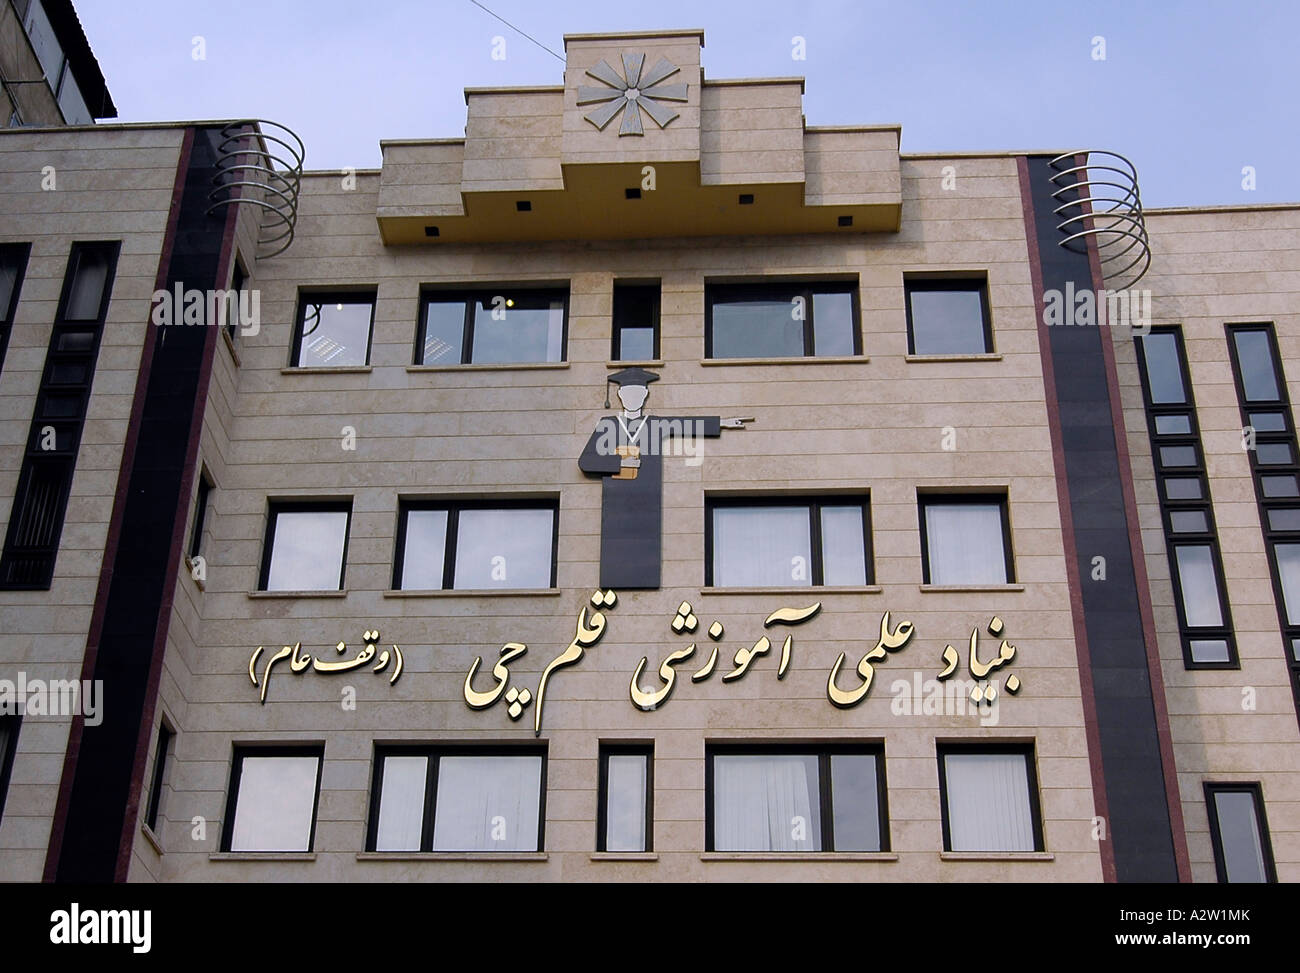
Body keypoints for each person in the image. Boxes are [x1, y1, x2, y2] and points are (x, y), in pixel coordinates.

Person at [579, 367, 748, 589]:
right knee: (617, 549)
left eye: (638, 394)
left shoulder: (654, 424)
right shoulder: (608, 425)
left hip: (648, 498)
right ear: (620, 396)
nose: (633, 399)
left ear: (645, 395)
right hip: (617, 501)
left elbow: (686, 424)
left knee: (646, 547)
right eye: (628, 394)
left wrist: (722, 422)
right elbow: (586, 461)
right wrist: (619, 463)